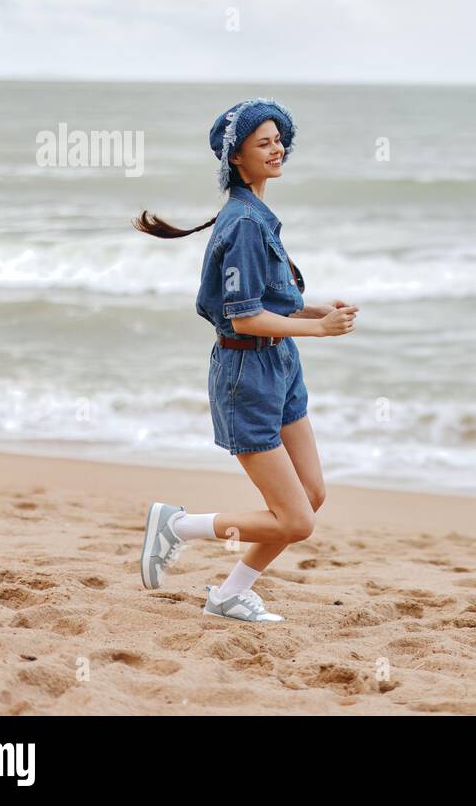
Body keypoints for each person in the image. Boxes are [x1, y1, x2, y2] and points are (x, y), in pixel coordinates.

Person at [131, 97, 357, 622]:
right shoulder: (245, 224)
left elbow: (267, 300)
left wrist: (313, 309)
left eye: (279, 139)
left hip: (282, 366)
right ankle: (178, 527)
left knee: (311, 494)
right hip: (245, 375)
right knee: (296, 521)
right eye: (263, 143)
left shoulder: (257, 214)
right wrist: (318, 328)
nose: (277, 149)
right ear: (237, 157)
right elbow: (244, 318)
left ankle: (231, 593)